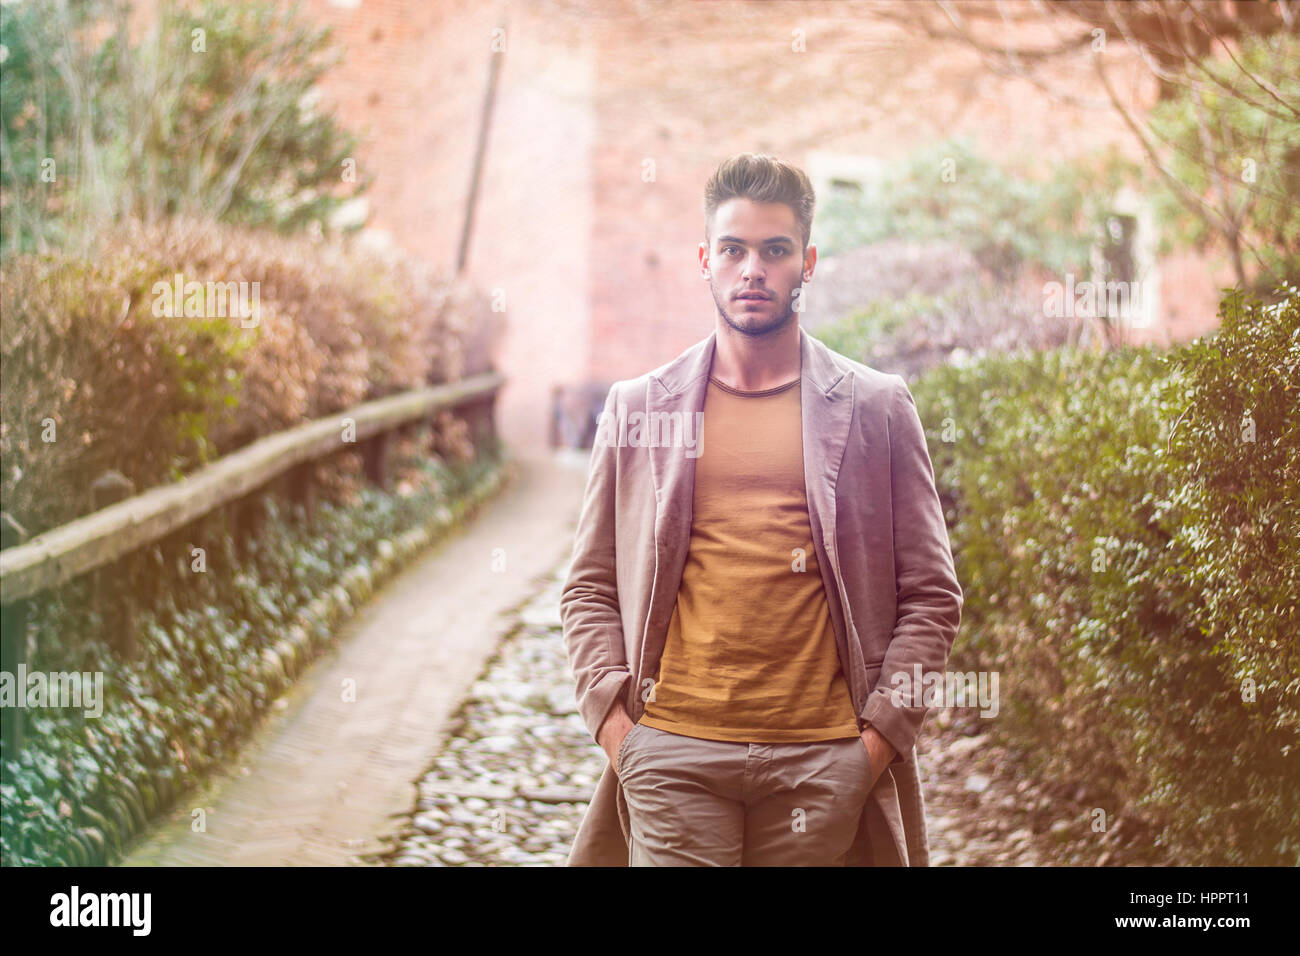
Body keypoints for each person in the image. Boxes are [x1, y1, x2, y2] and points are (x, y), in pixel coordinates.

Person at [561, 152, 962, 866]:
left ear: (806, 262)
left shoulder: (877, 407)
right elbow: (589, 586)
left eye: (775, 251)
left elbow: (931, 596)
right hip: (674, 755)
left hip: (821, 761)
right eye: (734, 249)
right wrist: (620, 732)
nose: (754, 269)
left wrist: (873, 747)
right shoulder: (638, 407)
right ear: (704, 260)